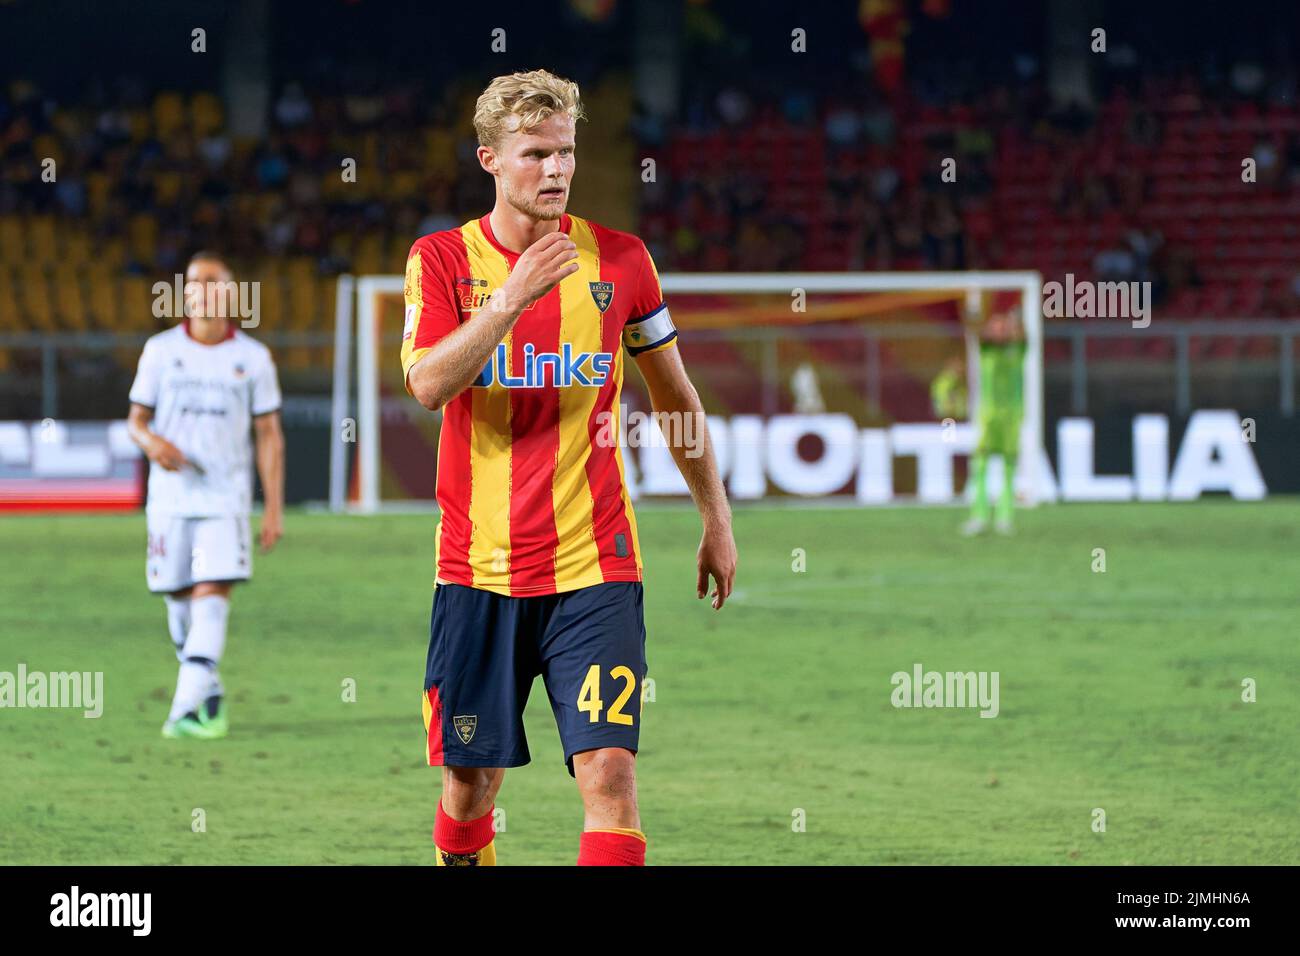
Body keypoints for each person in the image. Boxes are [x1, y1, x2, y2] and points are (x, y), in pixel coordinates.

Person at [402, 70, 737, 866]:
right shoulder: (441, 260)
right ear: (489, 158)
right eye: (534, 154)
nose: (555, 170)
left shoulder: (621, 262)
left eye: (567, 152)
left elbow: (675, 398)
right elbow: (426, 384)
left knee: (610, 774)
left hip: (596, 566)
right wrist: (511, 298)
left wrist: (716, 519)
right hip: (478, 570)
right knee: (469, 785)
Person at [126, 251, 284, 738]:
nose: (201, 290)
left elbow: (269, 435)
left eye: (213, 282)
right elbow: (135, 423)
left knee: (211, 591)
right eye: (193, 282)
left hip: (225, 498)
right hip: (170, 499)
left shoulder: (252, 358)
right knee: (177, 599)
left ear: (232, 294)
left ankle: (182, 710)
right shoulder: (159, 351)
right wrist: (154, 444)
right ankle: (208, 690)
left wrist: (273, 507)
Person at [963, 294, 1025, 536]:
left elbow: (1022, 334)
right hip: (988, 416)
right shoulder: (986, 350)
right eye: (995, 326)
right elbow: (975, 331)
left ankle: (1005, 517)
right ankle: (978, 515)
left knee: (1009, 466)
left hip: (1011, 415)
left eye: (1002, 326)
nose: (998, 331)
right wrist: (976, 315)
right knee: (980, 465)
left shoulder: (1017, 349)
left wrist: (1016, 318)